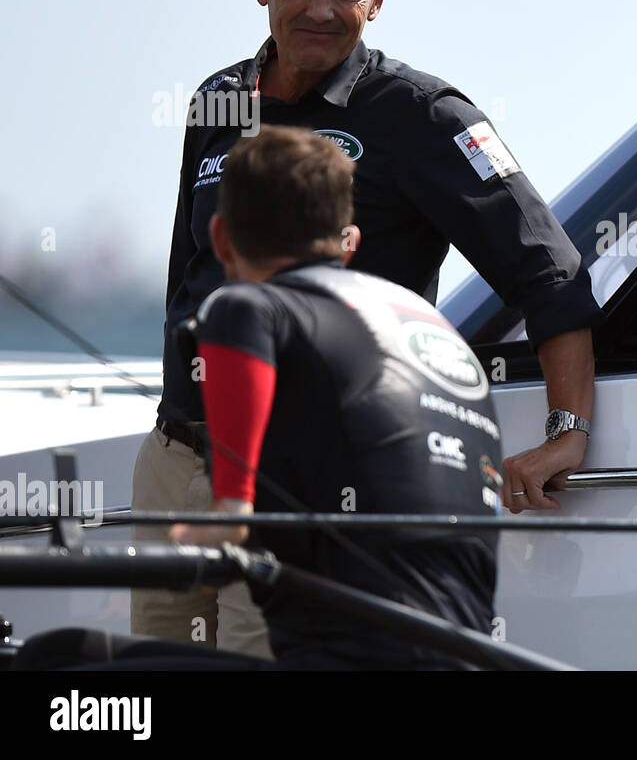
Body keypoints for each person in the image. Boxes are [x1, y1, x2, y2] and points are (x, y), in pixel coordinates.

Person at [134, 0, 599, 656]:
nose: (322, 7)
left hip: (309, 484)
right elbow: (191, 275)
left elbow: (549, 271)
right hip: (175, 459)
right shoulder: (216, 100)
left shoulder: (422, 113)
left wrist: (567, 429)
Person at [12, 126, 505, 670]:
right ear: (351, 242)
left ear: (221, 239)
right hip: (468, 656)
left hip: (337, 660)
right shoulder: (438, 333)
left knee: (54, 660)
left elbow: (231, 507)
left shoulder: (244, 306)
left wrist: (226, 509)